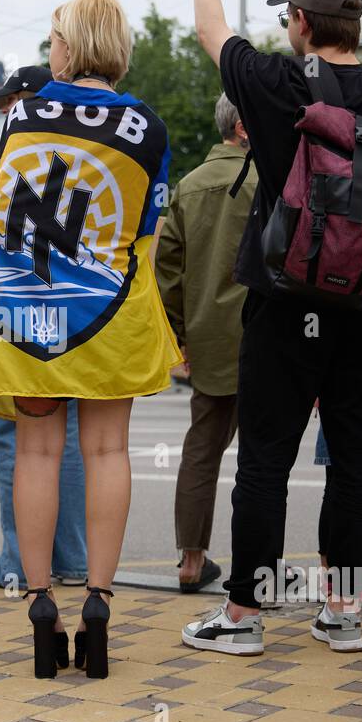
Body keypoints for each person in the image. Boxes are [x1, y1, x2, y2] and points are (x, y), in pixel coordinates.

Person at [181, 0, 362, 657]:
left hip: (286, 303)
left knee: (265, 458)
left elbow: (211, 32)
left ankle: (246, 618)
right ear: (353, 23)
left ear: (299, 22)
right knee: (356, 457)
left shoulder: (280, 82)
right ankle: (343, 614)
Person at [0, 0, 182, 680]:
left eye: (53, 35)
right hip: (106, 309)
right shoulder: (148, 126)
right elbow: (145, 231)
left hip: (27, 310)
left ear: (69, 44)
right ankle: (100, 602)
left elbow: (8, 203)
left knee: (37, 452)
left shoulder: (24, 113)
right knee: (109, 449)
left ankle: (38, 603)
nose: (49, 47)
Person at [0, 65, 89, 593]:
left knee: (14, 435)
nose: (3, 114)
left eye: (9, 102)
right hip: (76, 303)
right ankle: (71, 559)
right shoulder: (86, 143)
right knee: (66, 437)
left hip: (20, 298)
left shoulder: (24, 143)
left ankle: (19, 561)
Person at [155, 94, 253, 593]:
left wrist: (179, 334)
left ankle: (191, 562)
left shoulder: (188, 188)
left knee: (201, 450)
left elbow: (166, 270)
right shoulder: (272, 182)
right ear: (243, 127)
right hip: (266, 341)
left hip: (208, 339)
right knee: (263, 459)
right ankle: (260, 572)